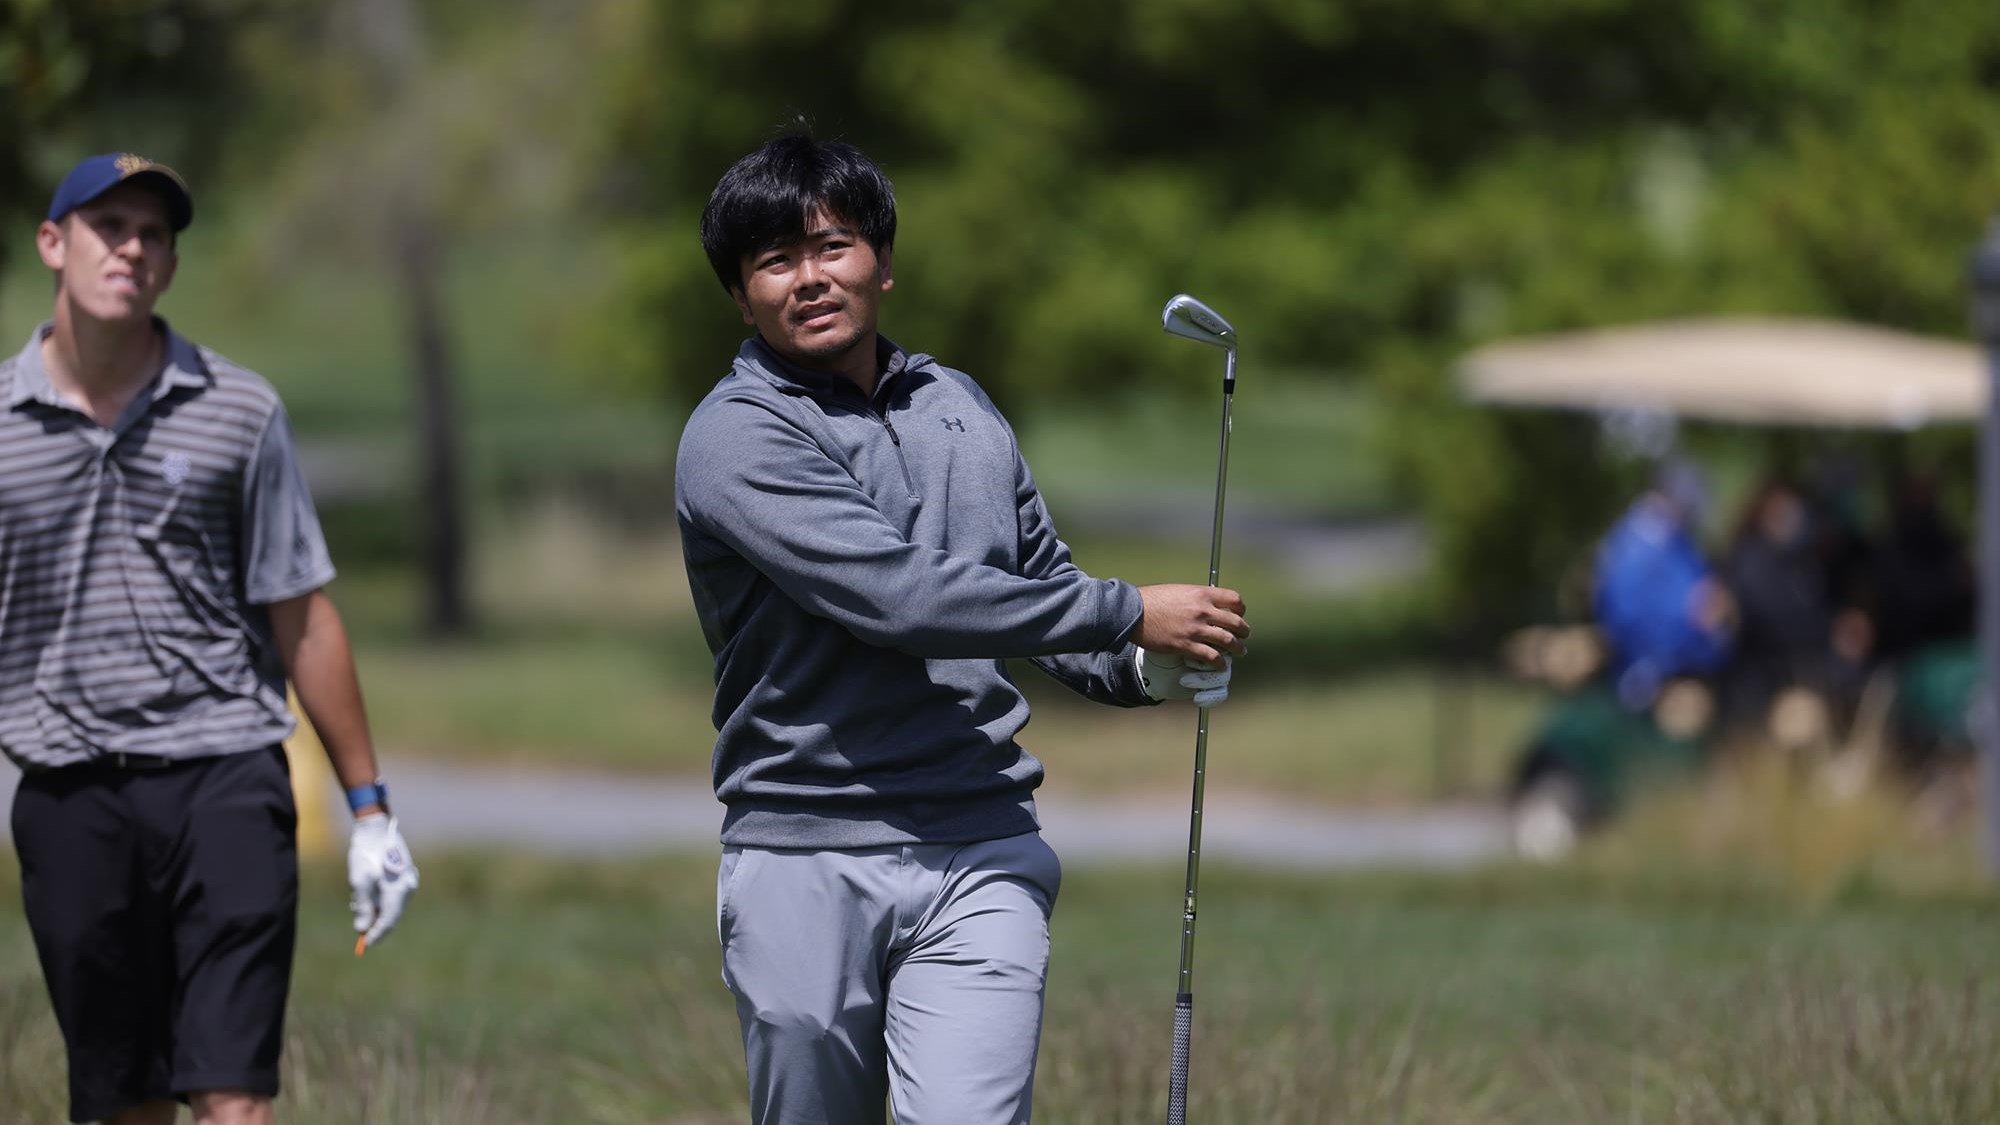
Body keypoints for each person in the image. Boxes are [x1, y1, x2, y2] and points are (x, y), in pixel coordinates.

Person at [675, 132, 1248, 1125]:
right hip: (805, 856)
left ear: (883, 263)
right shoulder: (733, 437)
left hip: (980, 844)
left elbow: (1039, 590)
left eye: (832, 246)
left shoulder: (960, 408)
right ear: (739, 294)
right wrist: (1128, 607)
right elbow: (900, 599)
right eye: (773, 261)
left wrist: (1151, 662)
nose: (808, 279)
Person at [2, 154, 418, 1125]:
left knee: (234, 1096)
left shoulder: (239, 409)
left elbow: (301, 610)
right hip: (70, 787)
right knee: (125, 1101)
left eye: (155, 234)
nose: (134, 248)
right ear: (53, 245)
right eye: (110, 226)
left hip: (225, 771)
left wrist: (370, 811)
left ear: (172, 267)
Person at [1592, 460, 1733, 711]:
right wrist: (1692, 613)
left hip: (1692, 665)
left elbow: (1705, 590)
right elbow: (1624, 615)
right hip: (1647, 677)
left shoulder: (1677, 539)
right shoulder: (1632, 547)